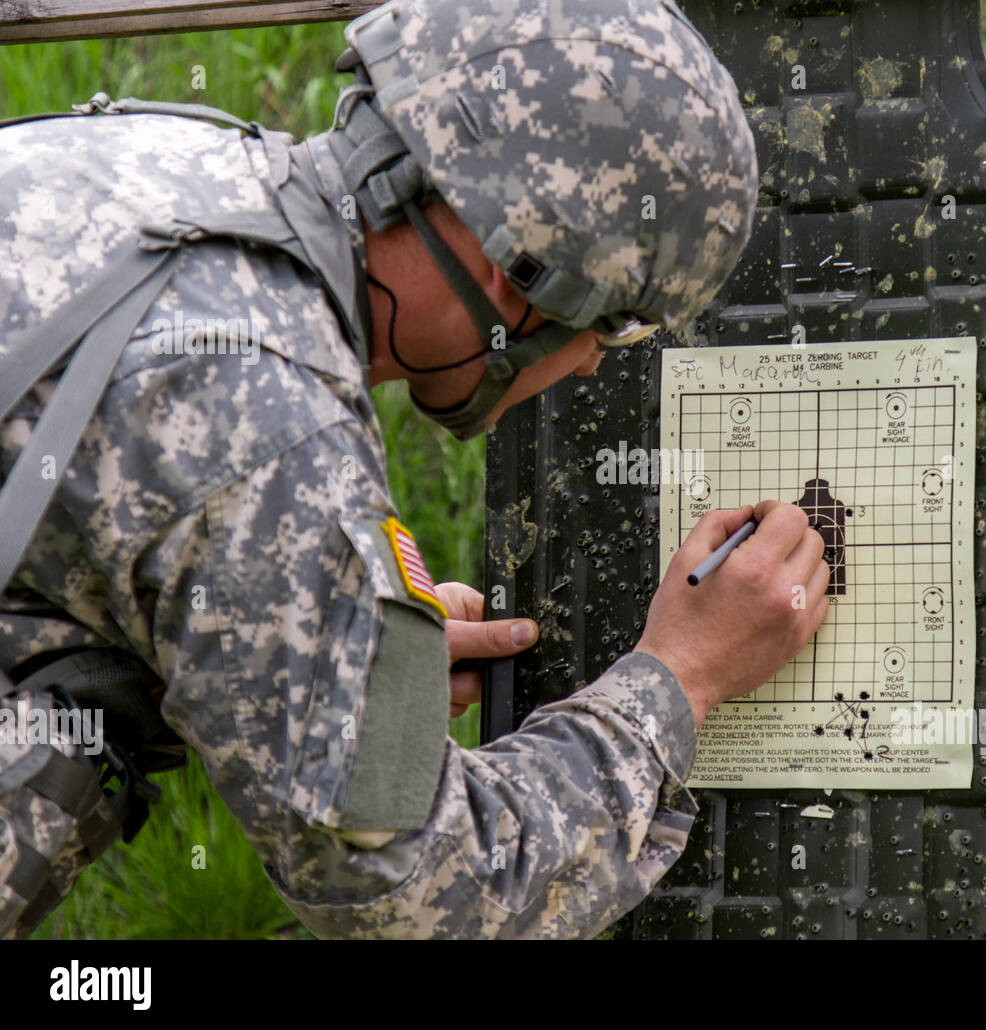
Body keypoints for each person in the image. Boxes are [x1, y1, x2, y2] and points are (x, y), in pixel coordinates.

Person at [0, 0, 830, 938]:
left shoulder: (167, 163)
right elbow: (428, 899)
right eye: (614, 320)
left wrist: (339, 662)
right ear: (509, 274)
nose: (598, 359)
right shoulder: (272, 424)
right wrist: (682, 676)